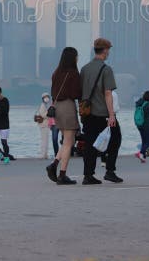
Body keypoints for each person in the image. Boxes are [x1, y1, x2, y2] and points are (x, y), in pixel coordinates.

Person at [79, 38, 122, 184]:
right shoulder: (106, 69)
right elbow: (108, 93)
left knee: (89, 144)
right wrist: (111, 115)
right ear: (105, 50)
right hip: (103, 114)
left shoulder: (84, 69)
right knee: (115, 139)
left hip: (88, 114)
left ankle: (88, 175)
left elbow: (81, 92)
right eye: (108, 49)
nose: (109, 52)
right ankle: (110, 171)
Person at [45, 47, 83, 185]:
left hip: (57, 108)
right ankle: (62, 175)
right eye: (77, 56)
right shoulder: (73, 73)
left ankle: (54, 164)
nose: (77, 58)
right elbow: (76, 94)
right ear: (72, 58)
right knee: (68, 143)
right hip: (67, 106)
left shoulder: (56, 72)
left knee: (68, 141)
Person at [134, 91, 149, 163]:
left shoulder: (139, 103)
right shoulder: (148, 104)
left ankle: (143, 157)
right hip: (146, 125)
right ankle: (140, 153)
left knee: (143, 141)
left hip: (139, 124)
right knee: (148, 141)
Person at [35, 92, 51, 159]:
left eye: (47, 97)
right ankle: (43, 154)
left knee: (45, 140)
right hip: (43, 125)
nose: (46, 98)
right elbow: (43, 115)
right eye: (45, 97)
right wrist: (49, 114)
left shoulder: (46, 105)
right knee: (44, 140)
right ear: (43, 98)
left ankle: (45, 154)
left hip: (46, 125)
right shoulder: (43, 105)